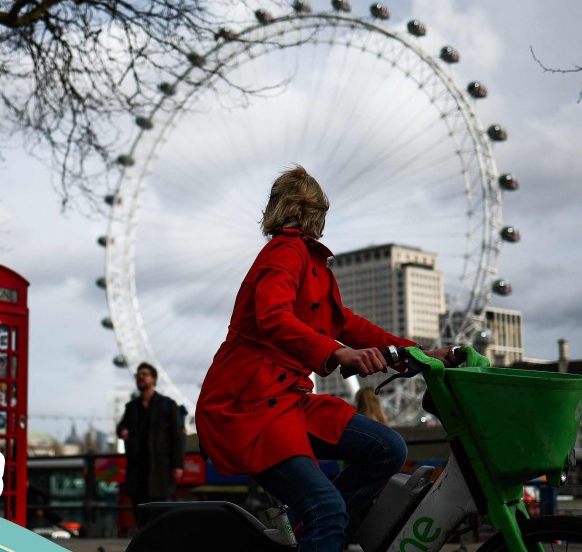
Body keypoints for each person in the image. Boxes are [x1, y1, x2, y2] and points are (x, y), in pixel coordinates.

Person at [195, 165, 457, 552]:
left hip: (285, 400)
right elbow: (273, 316)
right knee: (327, 508)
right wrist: (336, 351)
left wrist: (414, 354)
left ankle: (317, 535)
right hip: (250, 407)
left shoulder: (310, 261)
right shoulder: (286, 252)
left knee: (388, 449)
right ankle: (322, 526)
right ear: (317, 214)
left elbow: (345, 323)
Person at [116, 362, 187, 507]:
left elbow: (177, 437)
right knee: (139, 514)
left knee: (159, 514)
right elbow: (121, 427)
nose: (140, 377)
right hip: (137, 471)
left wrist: (178, 465)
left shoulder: (168, 405)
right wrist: (123, 431)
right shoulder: (131, 407)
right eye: (138, 375)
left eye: (144, 374)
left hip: (160, 470)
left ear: (153, 379)